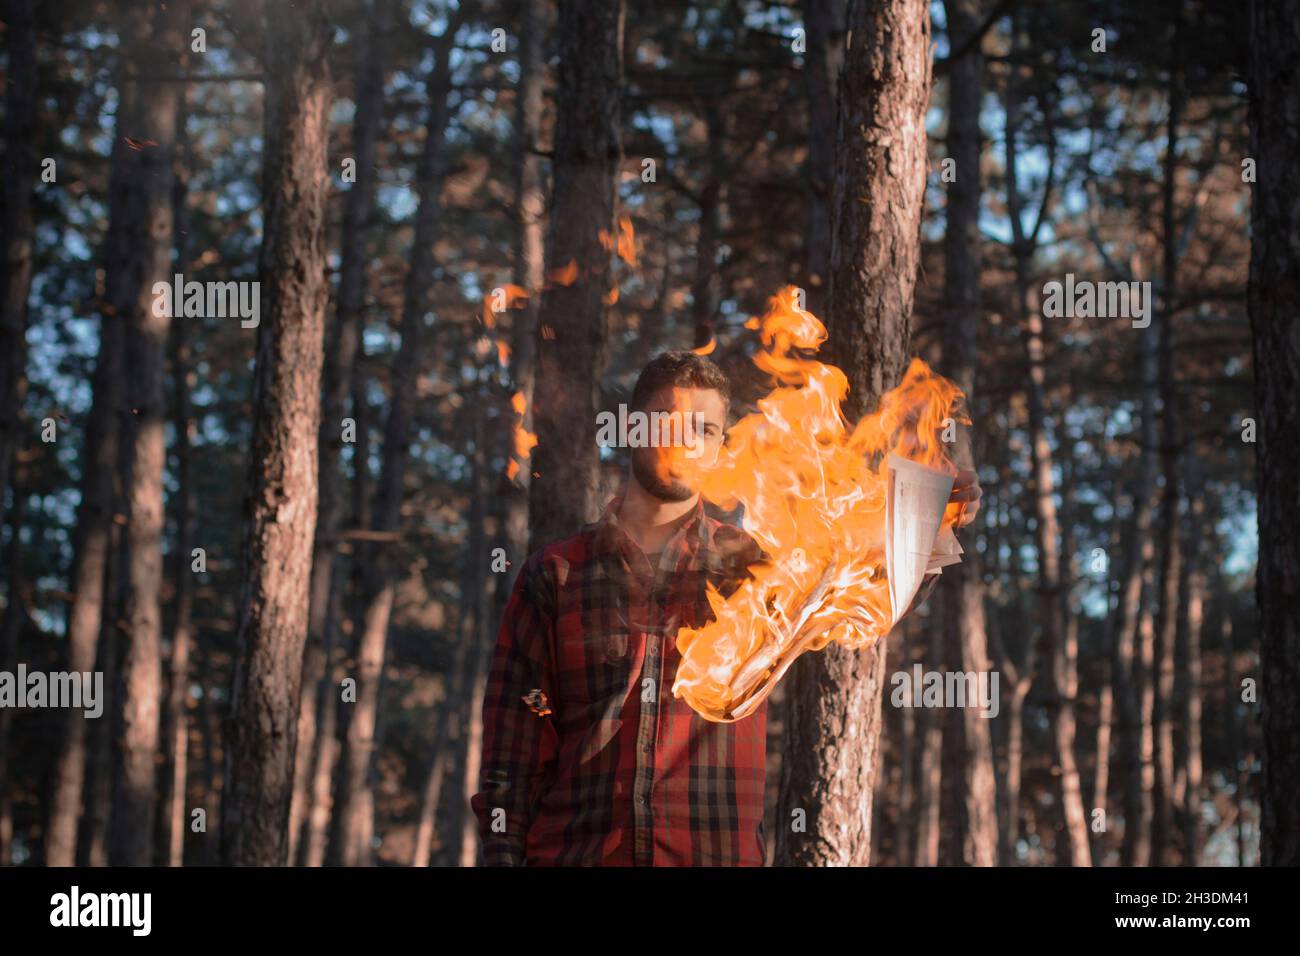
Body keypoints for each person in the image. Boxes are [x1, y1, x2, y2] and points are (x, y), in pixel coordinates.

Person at [470, 350, 981, 865]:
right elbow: (509, 762)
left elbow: (862, 596)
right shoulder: (554, 575)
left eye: (705, 429)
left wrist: (936, 525)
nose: (685, 441)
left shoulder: (754, 567)